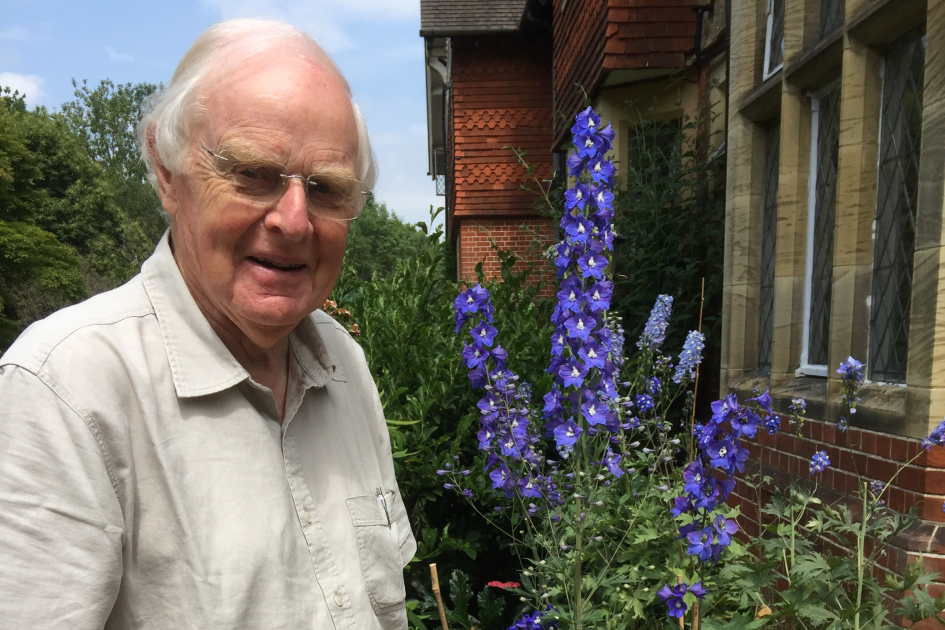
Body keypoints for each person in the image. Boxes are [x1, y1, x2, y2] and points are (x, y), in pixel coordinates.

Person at [0, 19, 415, 629]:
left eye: (326, 188)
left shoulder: (342, 363)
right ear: (167, 171)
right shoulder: (64, 390)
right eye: (252, 173)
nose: (295, 221)